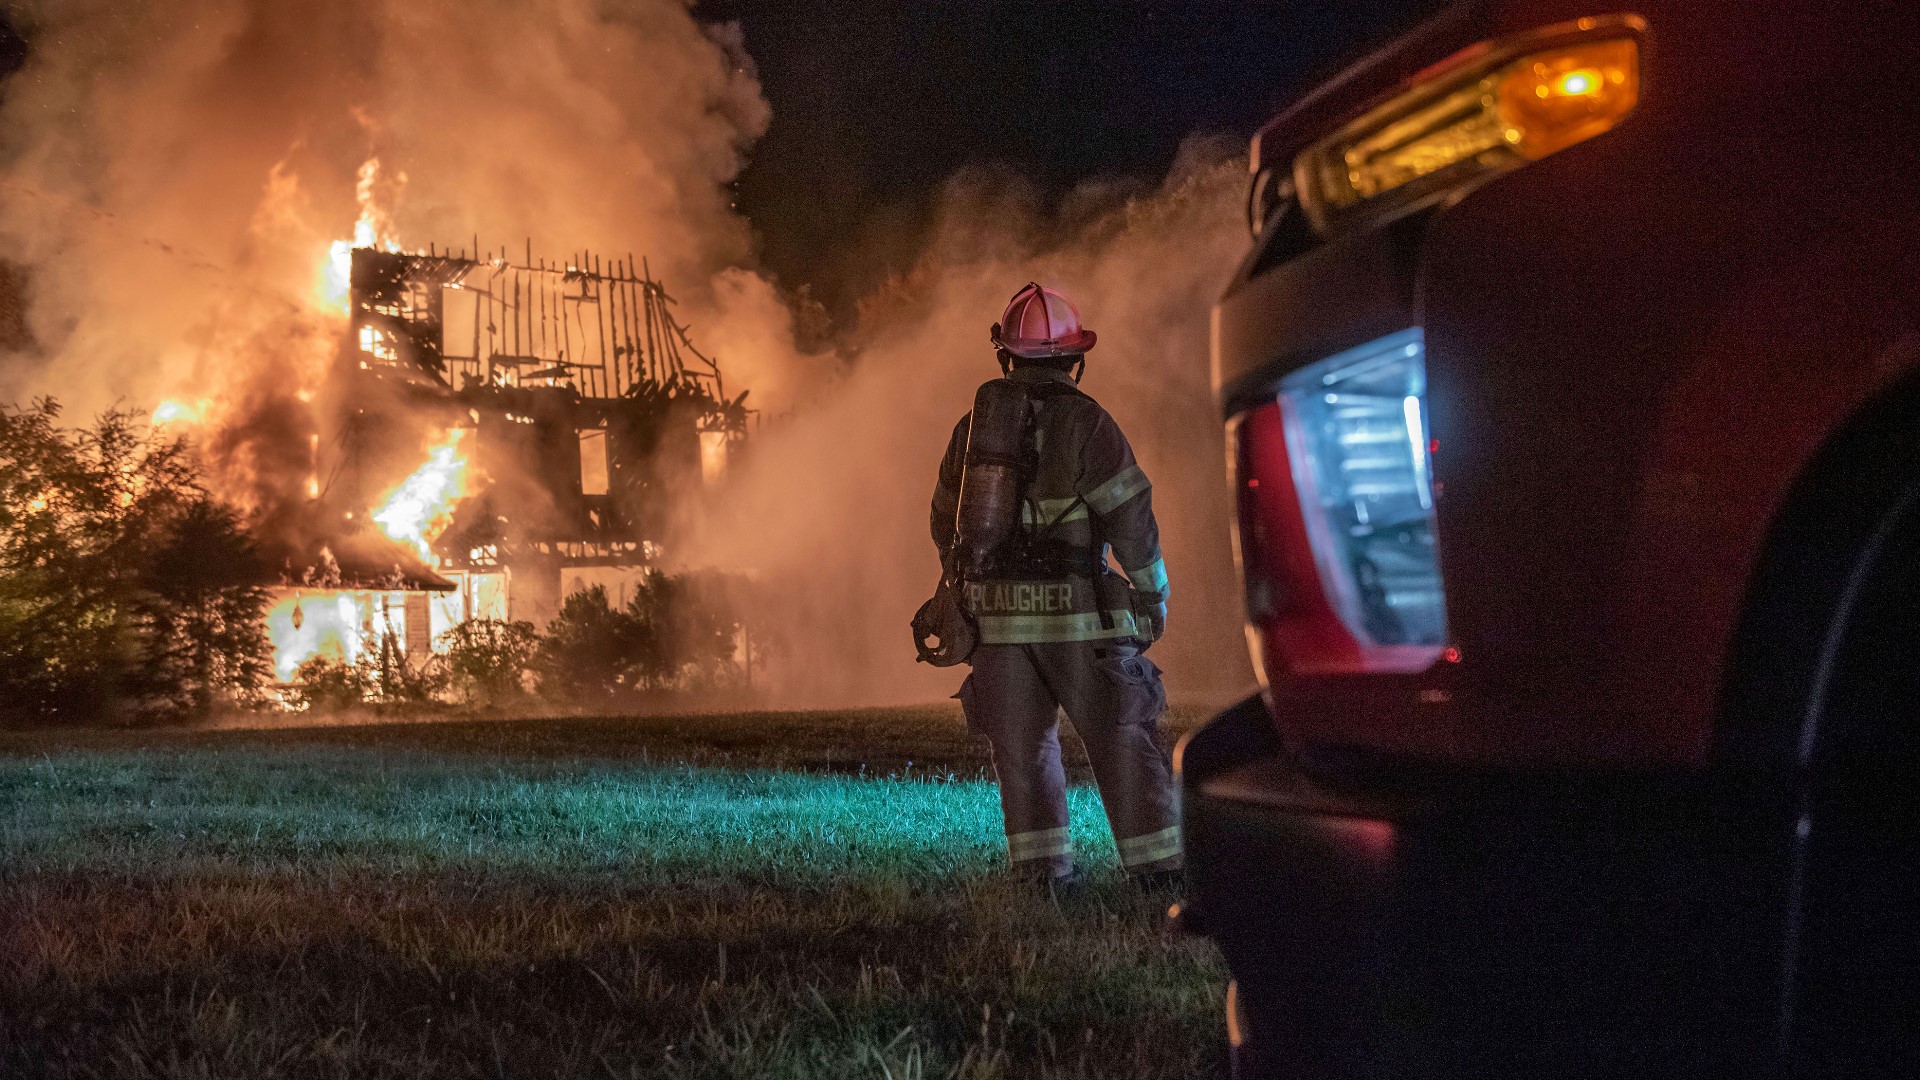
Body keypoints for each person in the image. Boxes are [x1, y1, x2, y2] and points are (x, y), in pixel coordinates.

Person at [930, 282, 1179, 890]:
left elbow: (945, 522)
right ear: (1076, 359)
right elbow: (1131, 517)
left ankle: (1044, 876)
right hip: (1080, 623)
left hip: (996, 626)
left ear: (1004, 357)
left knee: (1022, 754)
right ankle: (1160, 875)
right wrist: (1152, 594)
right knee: (1122, 737)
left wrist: (974, 593)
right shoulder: (1088, 423)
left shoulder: (973, 429)